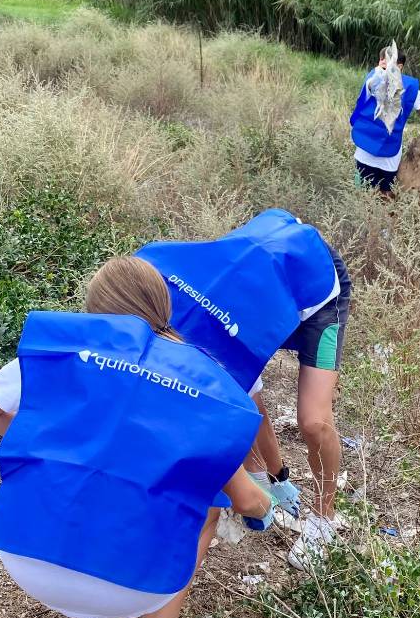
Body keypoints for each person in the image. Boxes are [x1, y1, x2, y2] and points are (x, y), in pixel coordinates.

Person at [0, 257, 273, 618]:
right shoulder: (204, 383)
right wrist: (269, 508)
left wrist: (59, 436)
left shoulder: (66, 350)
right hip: (133, 585)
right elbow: (248, 500)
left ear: (94, 306)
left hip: (22, 556)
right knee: (206, 505)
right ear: (164, 308)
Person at [136, 209, 352, 570]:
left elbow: (240, 395)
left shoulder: (206, 336)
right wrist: (269, 477)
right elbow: (248, 394)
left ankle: (324, 518)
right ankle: (265, 477)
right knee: (238, 386)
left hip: (316, 285)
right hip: (259, 269)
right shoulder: (173, 319)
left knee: (314, 421)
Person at [351, 47, 420, 194]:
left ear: (399, 66)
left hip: (389, 150)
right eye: (381, 59)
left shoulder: (408, 87)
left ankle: (384, 216)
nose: (383, 62)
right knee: (363, 191)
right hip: (366, 146)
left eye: (387, 60)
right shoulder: (373, 79)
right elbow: (371, 89)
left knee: (386, 193)